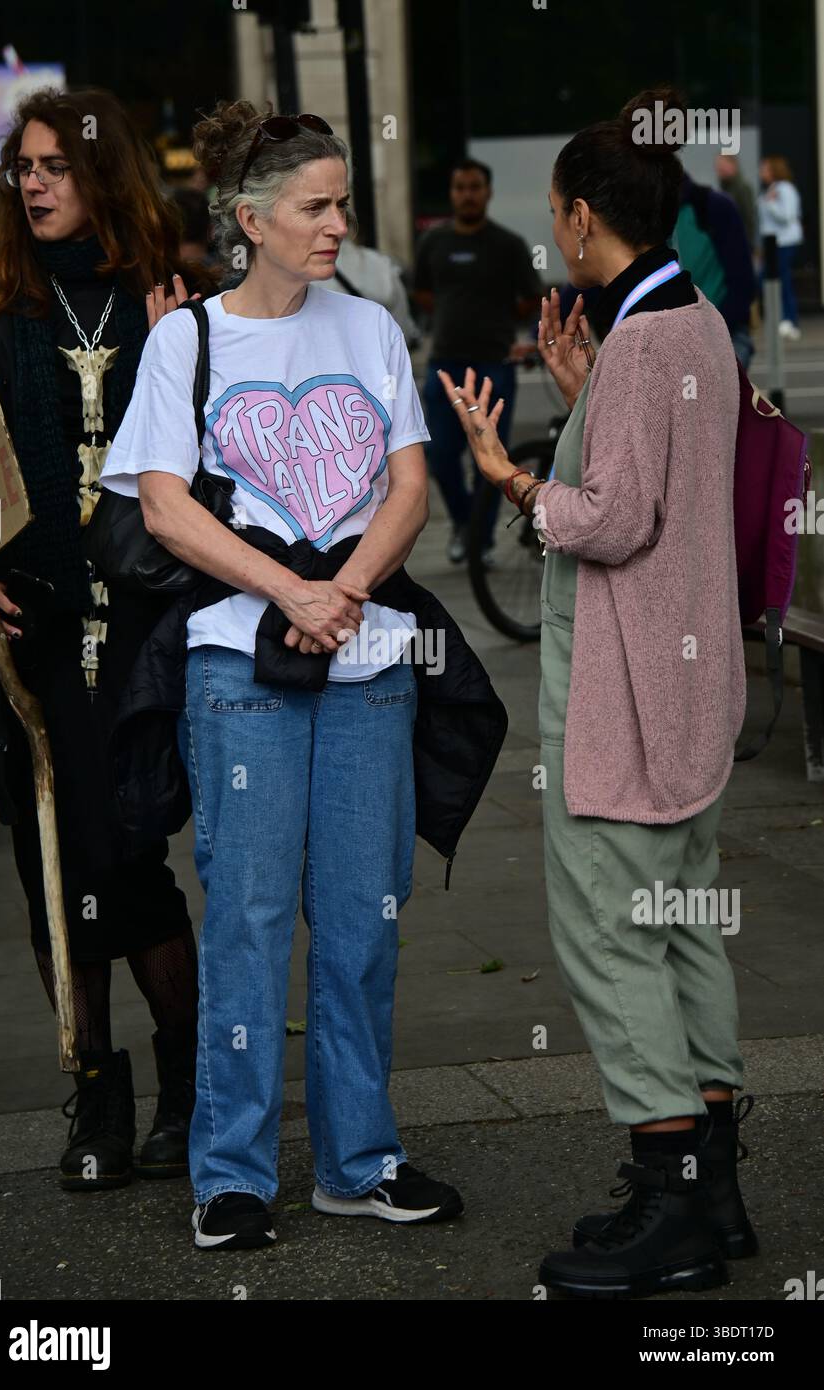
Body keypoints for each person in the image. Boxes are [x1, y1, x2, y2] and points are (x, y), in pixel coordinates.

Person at [100, 100, 507, 1252]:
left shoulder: (370, 326)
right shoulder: (189, 342)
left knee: (361, 921)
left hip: (369, 658)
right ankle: (228, 1172)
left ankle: (358, 1158)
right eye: (315, 206)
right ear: (251, 218)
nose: (337, 223)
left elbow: (409, 484)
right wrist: (291, 593)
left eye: (340, 203)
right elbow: (164, 506)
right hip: (238, 667)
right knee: (246, 919)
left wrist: (347, 593)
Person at [440, 86, 755, 1300]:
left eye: (556, 212)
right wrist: (586, 406)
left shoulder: (639, 340)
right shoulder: (693, 325)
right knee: (681, 927)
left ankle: (667, 1197)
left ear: (577, 218)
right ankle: (710, 1185)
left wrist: (513, 478)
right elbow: (669, 491)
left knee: (612, 935)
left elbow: (615, 520)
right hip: (694, 689)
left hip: (625, 695)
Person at [0, 86, 216, 1192]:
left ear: (104, 175)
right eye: (25, 166)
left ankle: (188, 1085)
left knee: (127, 852)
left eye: (57, 165)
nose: (36, 183)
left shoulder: (173, 303)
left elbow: (229, 469)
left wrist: (179, 363)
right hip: (35, 630)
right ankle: (97, 1091)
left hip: (150, 625)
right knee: (52, 863)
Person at [414, 159, 542, 562]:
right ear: (452, 193)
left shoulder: (509, 244)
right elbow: (423, 293)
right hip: (446, 366)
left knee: (491, 460)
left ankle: (480, 543)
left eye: (474, 187)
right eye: (459, 188)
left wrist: (505, 331)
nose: (467, 195)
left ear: (488, 192)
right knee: (439, 456)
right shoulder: (433, 242)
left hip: (494, 367)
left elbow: (528, 300)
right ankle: (466, 525)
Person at [673, 171, 756, 369]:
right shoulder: (641, 217)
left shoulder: (712, 207)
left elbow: (743, 284)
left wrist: (713, 329)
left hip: (724, 334)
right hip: (673, 340)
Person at [758, 156, 803, 339]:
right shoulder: (771, 189)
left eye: (765, 169)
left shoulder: (785, 189)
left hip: (785, 242)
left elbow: (787, 216)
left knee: (783, 280)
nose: (762, 173)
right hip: (772, 243)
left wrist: (770, 203)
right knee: (769, 280)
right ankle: (781, 318)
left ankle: (790, 320)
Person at [715, 153, 756, 248]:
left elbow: (749, 218)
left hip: (739, 244)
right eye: (718, 165)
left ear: (733, 165)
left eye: (722, 165)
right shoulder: (724, 188)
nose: (719, 169)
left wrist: (748, 245)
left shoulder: (742, 188)